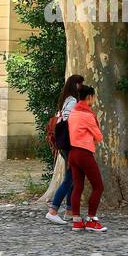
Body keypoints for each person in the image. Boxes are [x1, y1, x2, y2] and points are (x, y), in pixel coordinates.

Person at [65, 85, 107, 232]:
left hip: (72, 153)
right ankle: (91, 219)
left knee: (78, 186)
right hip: (84, 153)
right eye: (94, 97)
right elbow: (99, 137)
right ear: (90, 97)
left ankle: (76, 221)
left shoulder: (73, 113)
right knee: (98, 186)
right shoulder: (88, 115)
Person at [45, 73, 85, 224]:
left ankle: (70, 209)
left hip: (64, 143)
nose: (81, 87)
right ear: (76, 85)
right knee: (70, 177)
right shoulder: (72, 100)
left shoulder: (65, 99)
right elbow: (69, 120)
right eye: (80, 84)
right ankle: (53, 210)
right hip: (69, 143)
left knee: (73, 176)